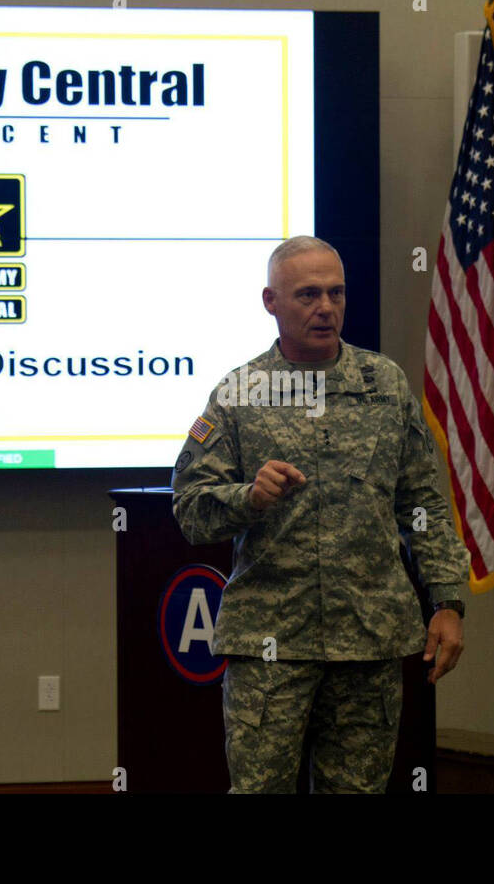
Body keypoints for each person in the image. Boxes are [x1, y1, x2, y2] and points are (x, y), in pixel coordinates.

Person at [171, 235, 469, 793]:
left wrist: (447, 602)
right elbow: (189, 509)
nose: (325, 307)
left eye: (336, 293)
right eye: (308, 294)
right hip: (270, 646)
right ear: (270, 301)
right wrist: (248, 498)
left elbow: (424, 503)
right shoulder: (239, 394)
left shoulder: (385, 386)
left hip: (370, 640)